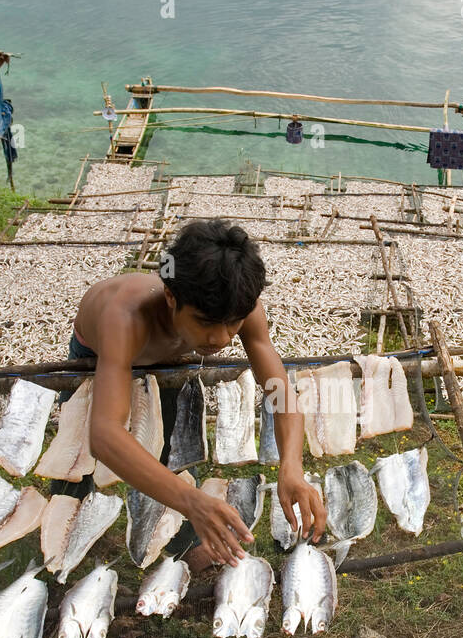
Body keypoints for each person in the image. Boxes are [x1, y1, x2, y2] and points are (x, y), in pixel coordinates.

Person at [71, 219, 327, 571]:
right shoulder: (126, 317)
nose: (222, 339)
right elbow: (104, 434)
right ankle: (70, 510)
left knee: (160, 446)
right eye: (206, 323)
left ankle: (172, 535)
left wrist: (292, 467)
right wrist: (193, 500)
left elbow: (280, 394)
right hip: (99, 355)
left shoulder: (239, 304)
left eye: (232, 325)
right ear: (171, 298)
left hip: (165, 359)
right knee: (80, 453)